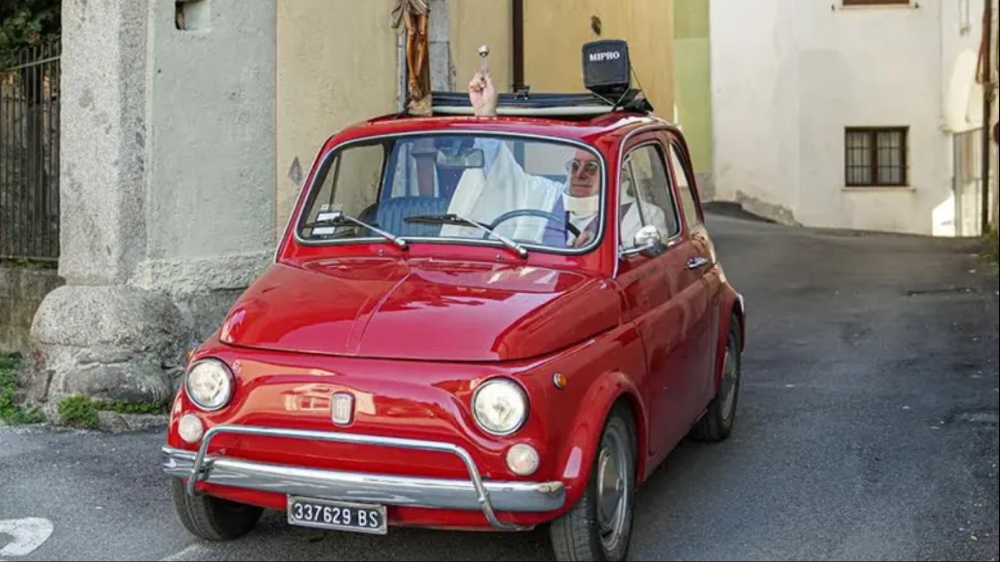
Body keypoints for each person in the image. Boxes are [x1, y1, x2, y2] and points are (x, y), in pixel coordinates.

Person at [439, 70, 670, 249]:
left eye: (591, 168)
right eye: (574, 166)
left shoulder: (642, 215)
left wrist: (603, 248)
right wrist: (486, 116)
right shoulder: (548, 195)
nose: (579, 175)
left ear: (617, 174)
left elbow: (643, 273)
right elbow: (501, 173)